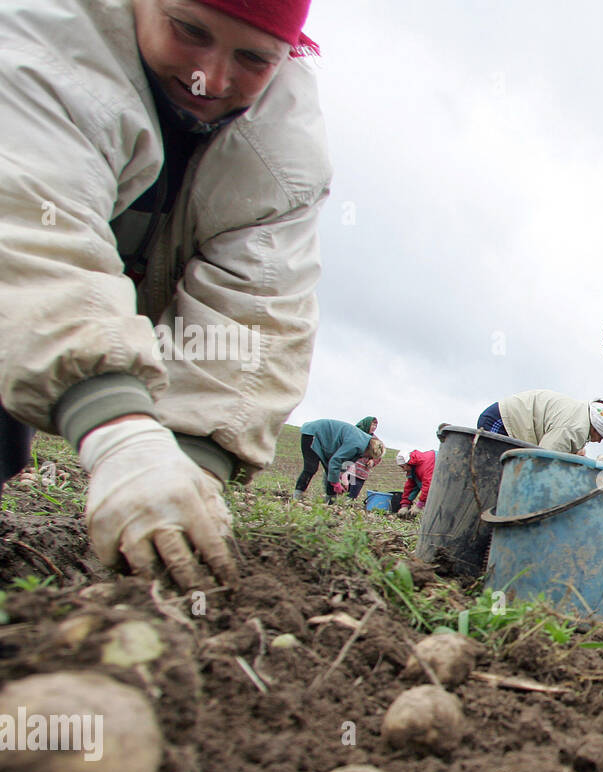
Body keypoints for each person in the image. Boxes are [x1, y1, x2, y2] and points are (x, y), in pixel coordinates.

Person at [0, 0, 329, 590]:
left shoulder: (285, 150)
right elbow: (29, 240)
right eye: (189, 30)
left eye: (253, 58)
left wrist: (192, 462)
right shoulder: (38, 47)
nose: (213, 78)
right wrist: (119, 432)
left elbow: (256, 307)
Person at [476, 392, 603, 455]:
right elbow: (543, 459)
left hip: (512, 424)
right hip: (501, 420)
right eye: (601, 437)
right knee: (500, 476)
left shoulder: (582, 416)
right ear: (597, 429)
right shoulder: (573, 429)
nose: (599, 441)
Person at [296, 420, 382, 504]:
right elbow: (335, 461)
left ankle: (330, 502)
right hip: (313, 433)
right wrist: (336, 483)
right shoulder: (357, 444)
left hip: (326, 440)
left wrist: (342, 478)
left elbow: (344, 463)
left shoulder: (363, 443)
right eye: (369, 456)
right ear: (369, 451)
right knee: (311, 467)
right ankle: (297, 497)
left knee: (331, 472)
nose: (367, 458)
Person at [343, 417, 379, 500]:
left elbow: (379, 455)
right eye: (372, 424)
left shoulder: (375, 440)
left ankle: (347, 508)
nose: (374, 427)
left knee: (351, 496)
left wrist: (373, 461)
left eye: (376, 425)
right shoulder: (355, 434)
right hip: (349, 470)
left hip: (361, 473)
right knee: (343, 492)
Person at [396, 449, 436, 518]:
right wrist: (405, 505)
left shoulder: (425, 466)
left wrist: (419, 505)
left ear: (408, 462)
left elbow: (429, 486)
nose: (403, 470)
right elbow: (410, 487)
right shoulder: (413, 468)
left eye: (403, 466)